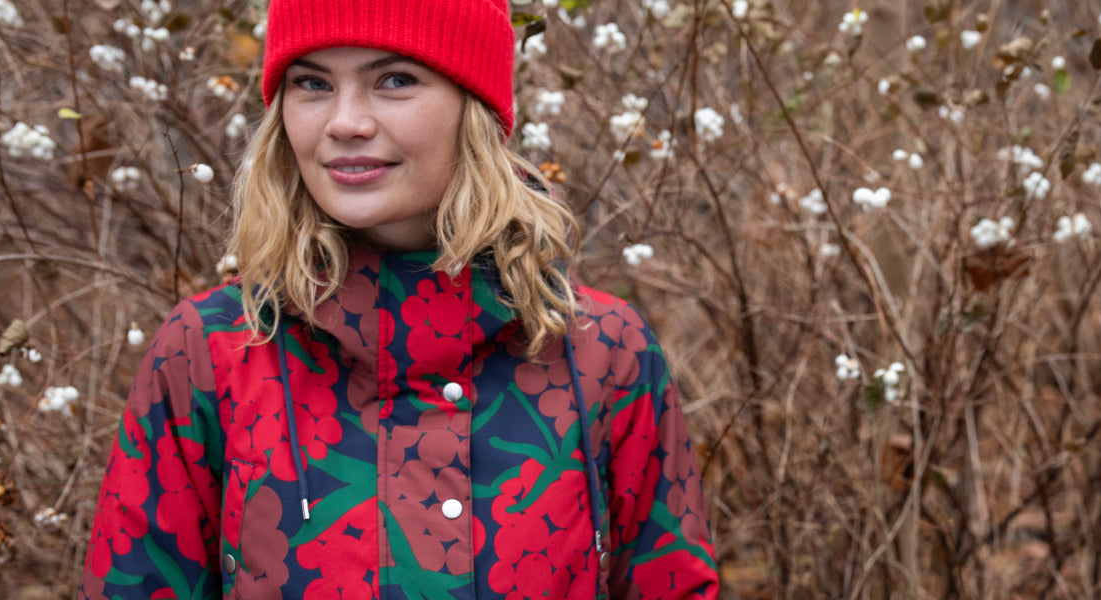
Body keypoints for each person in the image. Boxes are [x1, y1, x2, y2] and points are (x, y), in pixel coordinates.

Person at [79, 1, 720, 598]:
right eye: (312, 83)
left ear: (474, 104)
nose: (346, 122)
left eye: (394, 80)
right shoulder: (217, 349)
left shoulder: (600, 349)